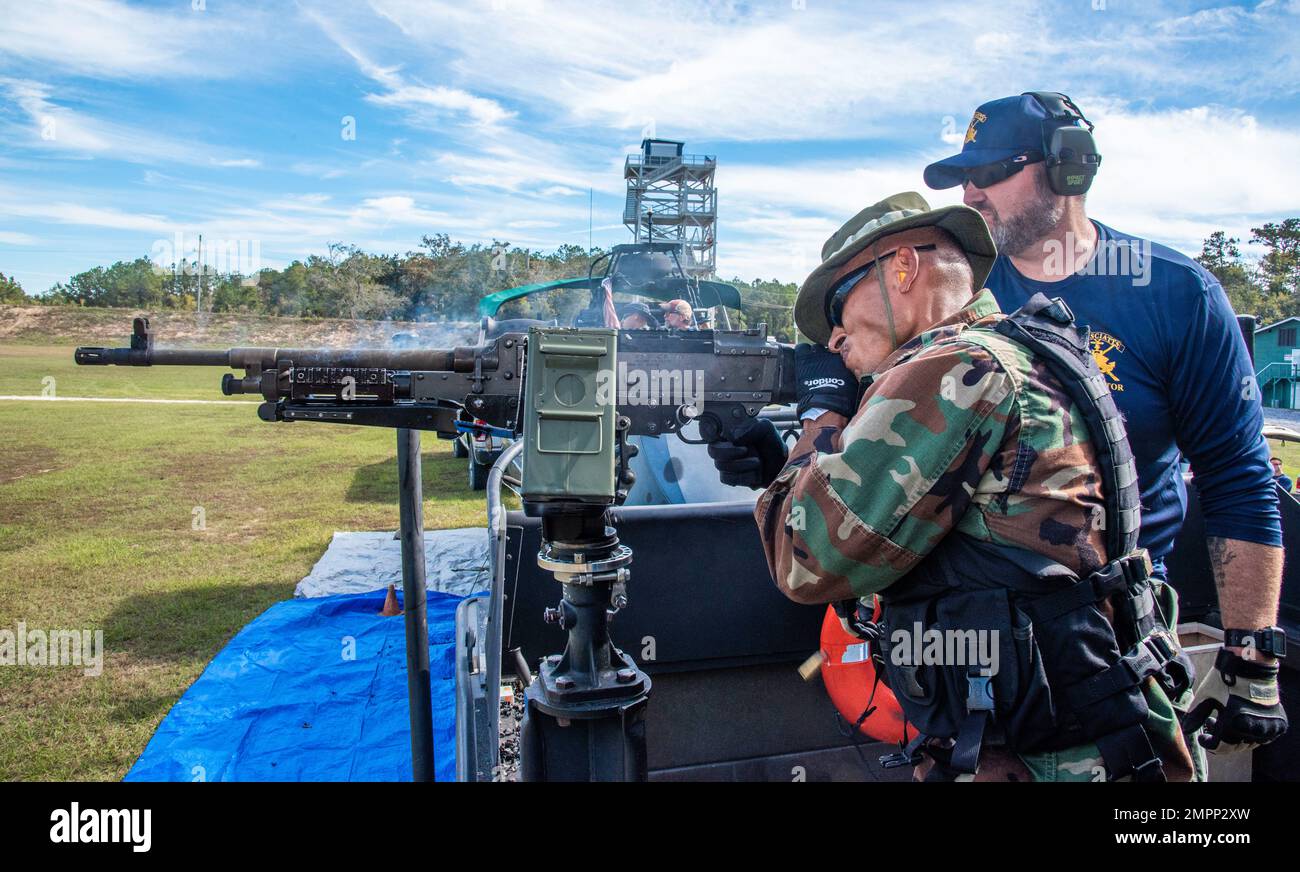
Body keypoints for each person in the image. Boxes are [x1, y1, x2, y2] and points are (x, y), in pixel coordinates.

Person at [712, 192, 1196, 780]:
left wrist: (819, 420)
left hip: (1048, 759)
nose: (834, 339)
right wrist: (786, 467)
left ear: (903, 267)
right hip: (1093, 734)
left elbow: (804, 562)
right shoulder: (1022, 351)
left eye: (839, 306)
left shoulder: (954, 369)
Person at [924, 92, 1287, 765]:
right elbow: (846, 352)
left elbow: (1238, 477)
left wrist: (1252, 654)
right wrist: (816, 418)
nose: (971, 192)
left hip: (1114, 638)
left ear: (1069, 169)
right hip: (962, 641)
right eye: (963, 177)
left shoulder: (1176, 296)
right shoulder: (945, 288)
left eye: (991, 172)